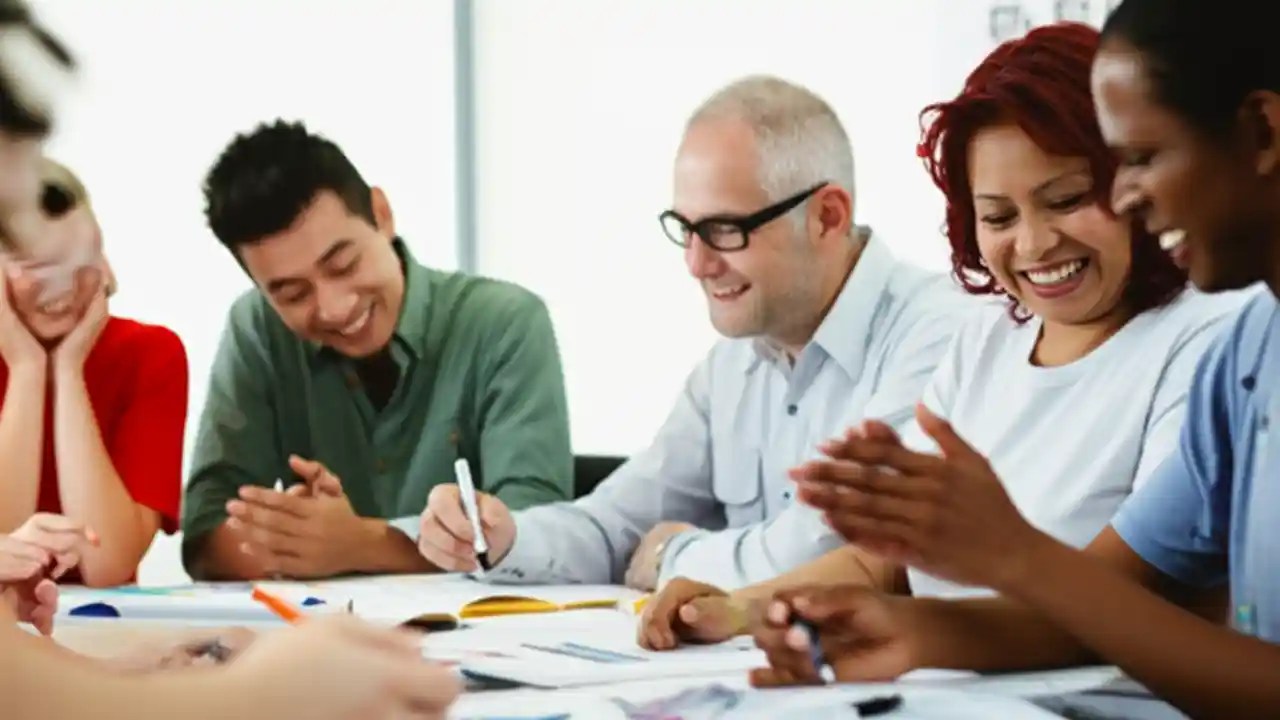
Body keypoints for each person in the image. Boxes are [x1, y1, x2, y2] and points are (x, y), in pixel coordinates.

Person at [638, 21, 1252, 650]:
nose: (1034, 244)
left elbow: (1117, 602)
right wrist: (739, 610)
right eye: (999, 216)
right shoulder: (987, 337)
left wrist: (909, 637)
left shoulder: (1204, 339)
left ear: (1132, 178)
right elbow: (883, 562)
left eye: (1067, 200)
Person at [0, 3, 458, 718]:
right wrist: (253, 694)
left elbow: (60, 614)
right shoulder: (255, 334)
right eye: (15, 237)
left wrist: (137, 672)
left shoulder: (144, 352)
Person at [417, 75, 970, 591]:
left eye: (724, 230)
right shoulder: (733, 366)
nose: (696, 264)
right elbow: (615, 526)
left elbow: (838, 555)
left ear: (826, 216)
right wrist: (503, 538)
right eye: (685, 229)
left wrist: (671, 556)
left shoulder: (941, 338)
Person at [182, 119, 573, 581]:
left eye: (344, 264)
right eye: (292, 294)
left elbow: (533, 530)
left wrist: (360, 544)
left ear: (382, 215)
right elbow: (206, 535)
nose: (334, 307)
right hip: (325, 623)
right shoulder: (257, 329)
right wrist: (292, 535)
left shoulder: (504, 322)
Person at [0, 158, 186, 587]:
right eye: (34, 265)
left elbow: (107, 565)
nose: (61, 286)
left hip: (98, 620)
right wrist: (27, 367)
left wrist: (68, 370)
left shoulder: (150, 354)